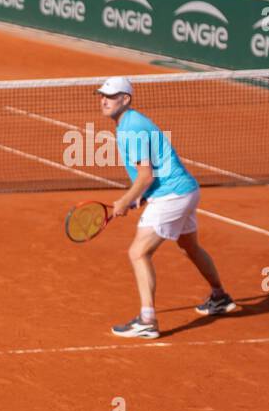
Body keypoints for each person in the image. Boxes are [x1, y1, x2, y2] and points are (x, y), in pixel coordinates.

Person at [95, 77, 235, 339]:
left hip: (172, 195)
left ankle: (147, 320)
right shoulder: (130, 123)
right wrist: (143, 197)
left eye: (111, 96)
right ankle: (220, 296)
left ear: (125, 99)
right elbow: (152, 172)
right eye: (101, 95)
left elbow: (145, 175)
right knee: (189, 246)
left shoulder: (130, 128)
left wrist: (125, 201)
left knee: (138, 252)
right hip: (186, 190)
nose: (103, 100)